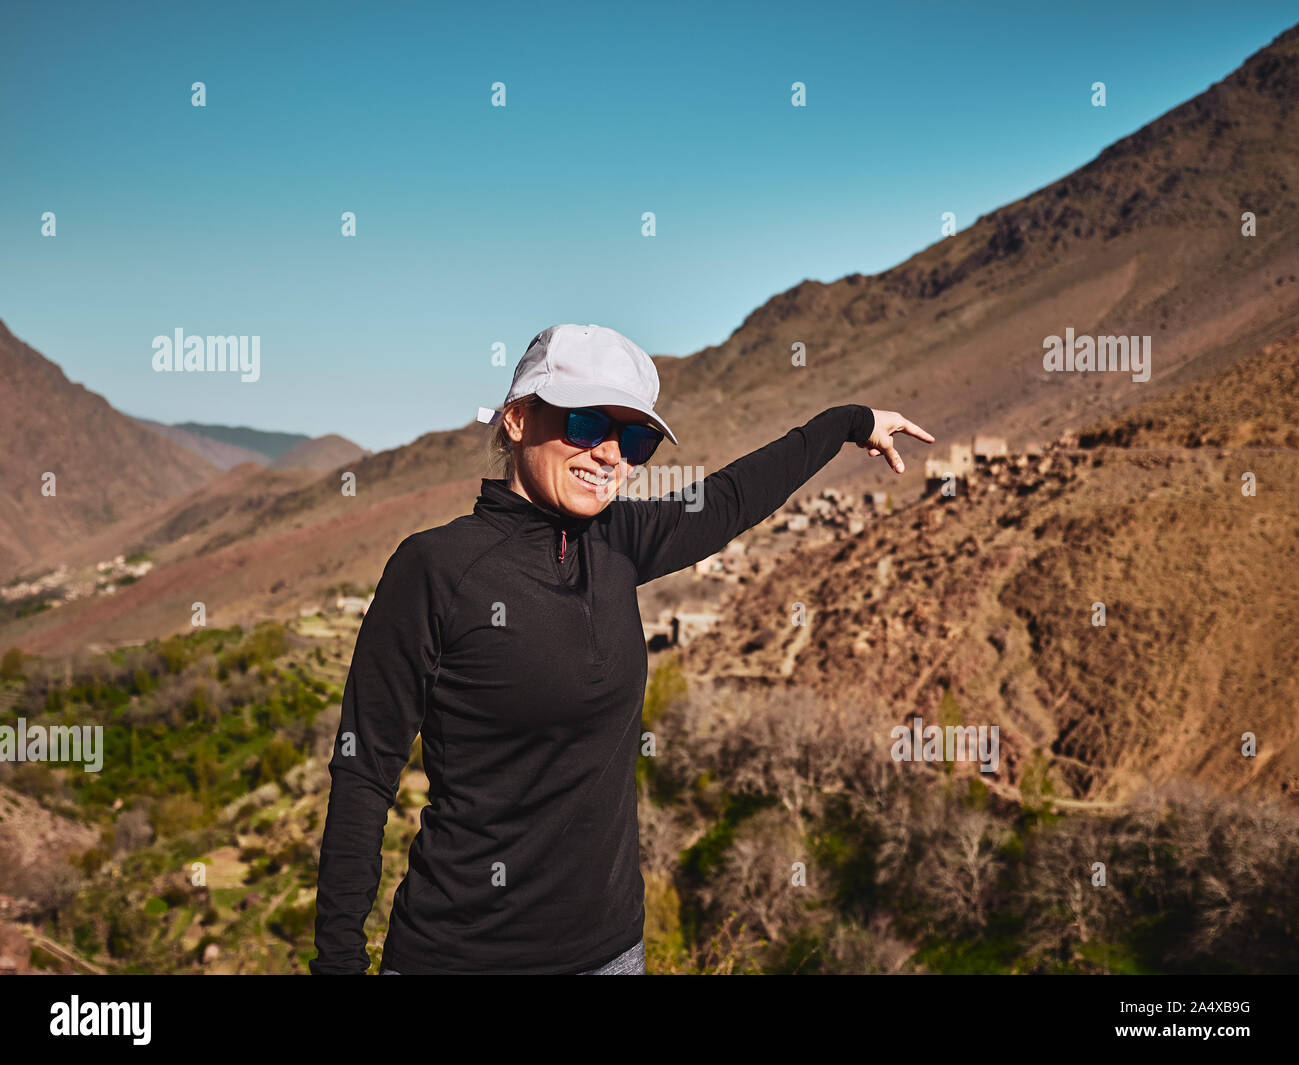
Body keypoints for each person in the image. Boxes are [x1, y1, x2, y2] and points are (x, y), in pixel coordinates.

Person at [309, 323, 933, 975]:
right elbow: (363, 771)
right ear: (518, 419)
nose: (610, 454)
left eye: (633, 440)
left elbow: (729, 498)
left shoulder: (616, 542)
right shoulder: (435, 569)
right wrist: (339, 960)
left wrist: (849, 421)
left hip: (610, 954)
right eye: (584, 425)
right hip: (463, 956)